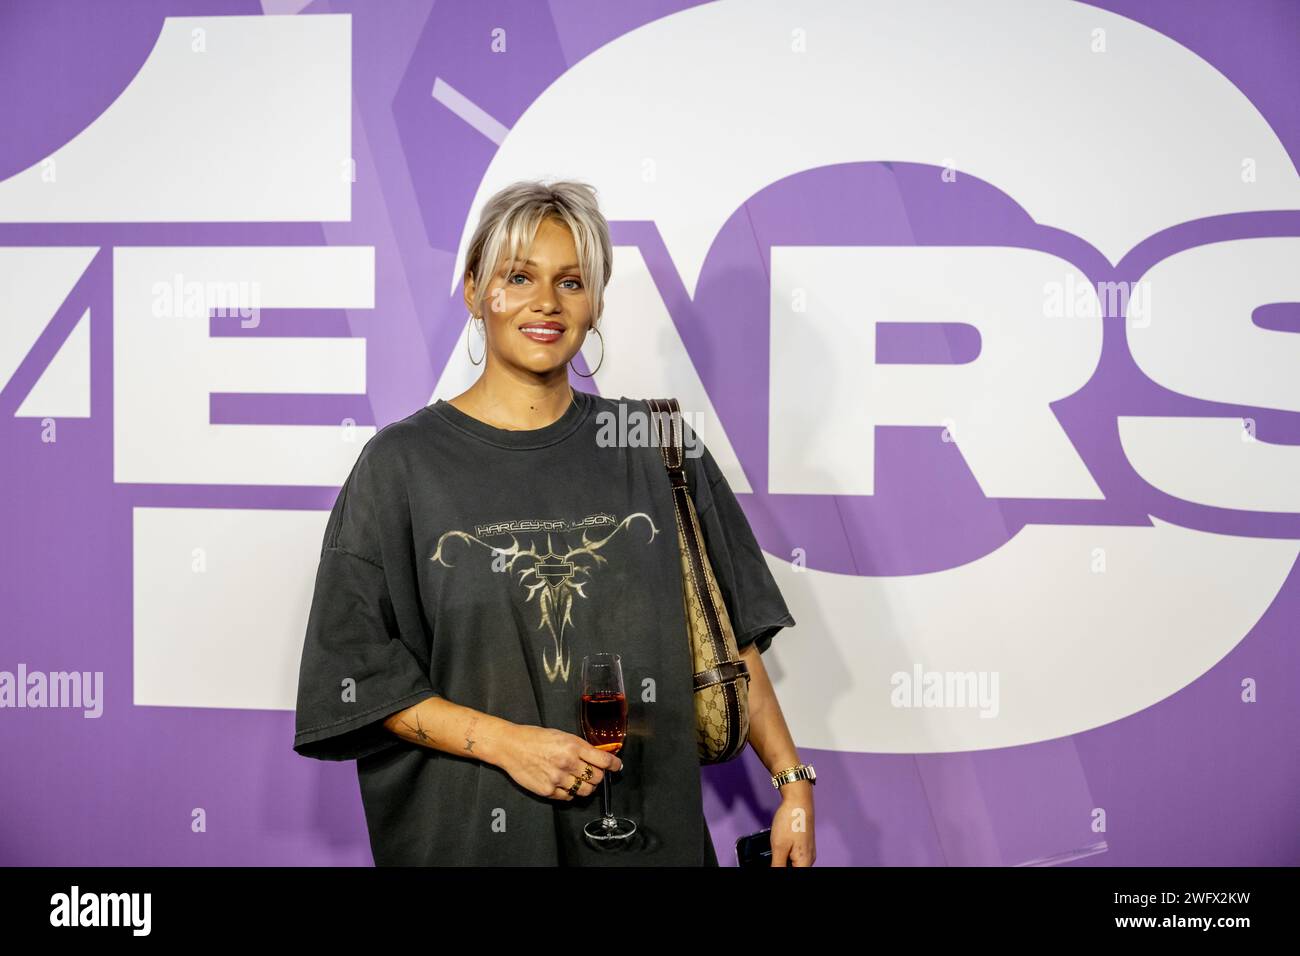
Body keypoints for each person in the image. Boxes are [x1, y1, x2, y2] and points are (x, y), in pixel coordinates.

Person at [292, 179, 816, 866]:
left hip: (647, 841)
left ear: (594, 303)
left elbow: (730, 635)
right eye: (519, 276)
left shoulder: (656, 444)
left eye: (571, 281)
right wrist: (511, 745)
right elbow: (352, 672)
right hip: (474, 838)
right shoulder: (401, 465)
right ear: (476, 292)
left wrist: (792, 784)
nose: (546, 302)